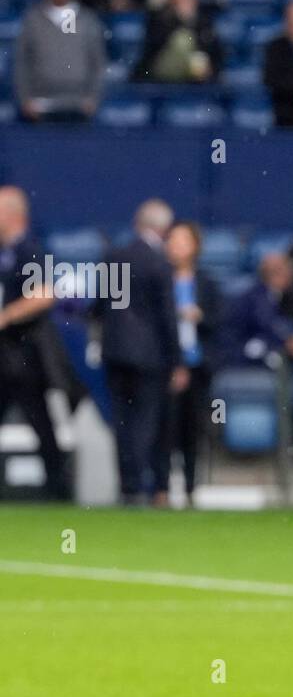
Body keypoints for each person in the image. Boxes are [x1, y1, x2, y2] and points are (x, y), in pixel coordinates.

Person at [96, 199, 179, 505]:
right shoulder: (159, 261)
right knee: (146, 421)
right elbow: (167, 316)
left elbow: (100, 306)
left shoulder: (114, 256)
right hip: (150, 355)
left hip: (115, 351)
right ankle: (144, 484)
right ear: (163, 227)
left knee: (121, 421)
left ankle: (128, 485)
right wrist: (177, 359)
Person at [0, 184, 68, 498]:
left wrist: (7, 315)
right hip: (6, 354)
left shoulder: (29, 249)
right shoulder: (7, 251)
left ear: (12, 214)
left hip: (25, 355)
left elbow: (45, 294)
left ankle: (58, 488)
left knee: (40, 422)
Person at [155, 221, 221, 508]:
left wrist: (199, 316)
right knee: (163, 429)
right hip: (165, 365)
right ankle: (161, 489)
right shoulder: (158, 279)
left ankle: (192, 488)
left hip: (197, 366)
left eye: (184, 241)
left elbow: (220, 322)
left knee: (193, 429)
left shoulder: (206, 282)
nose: (178, 246)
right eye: (173, 240)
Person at [14, 0, 107, 122]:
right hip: (40, 105)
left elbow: (98, 63)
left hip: (78, 106)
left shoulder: (88, 20)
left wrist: (93, 99)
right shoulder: (32, 20)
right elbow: (22, 62)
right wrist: (25, 99)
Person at [223, 252, 293, 367]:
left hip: (266, 343)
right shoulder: (257, 296)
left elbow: (288, 322)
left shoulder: (283, 296)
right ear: (278, 275)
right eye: (289, 271)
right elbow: (266, 324)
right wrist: (290, 341)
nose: (292, 276)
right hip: (240, 350)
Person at [135, 0, 223, 84]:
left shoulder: (205, 16)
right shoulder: (158, 16)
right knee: (183, 40)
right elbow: (154, 47)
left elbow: (212, 47)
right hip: (163, 71)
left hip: (198, 72)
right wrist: (181, 18)